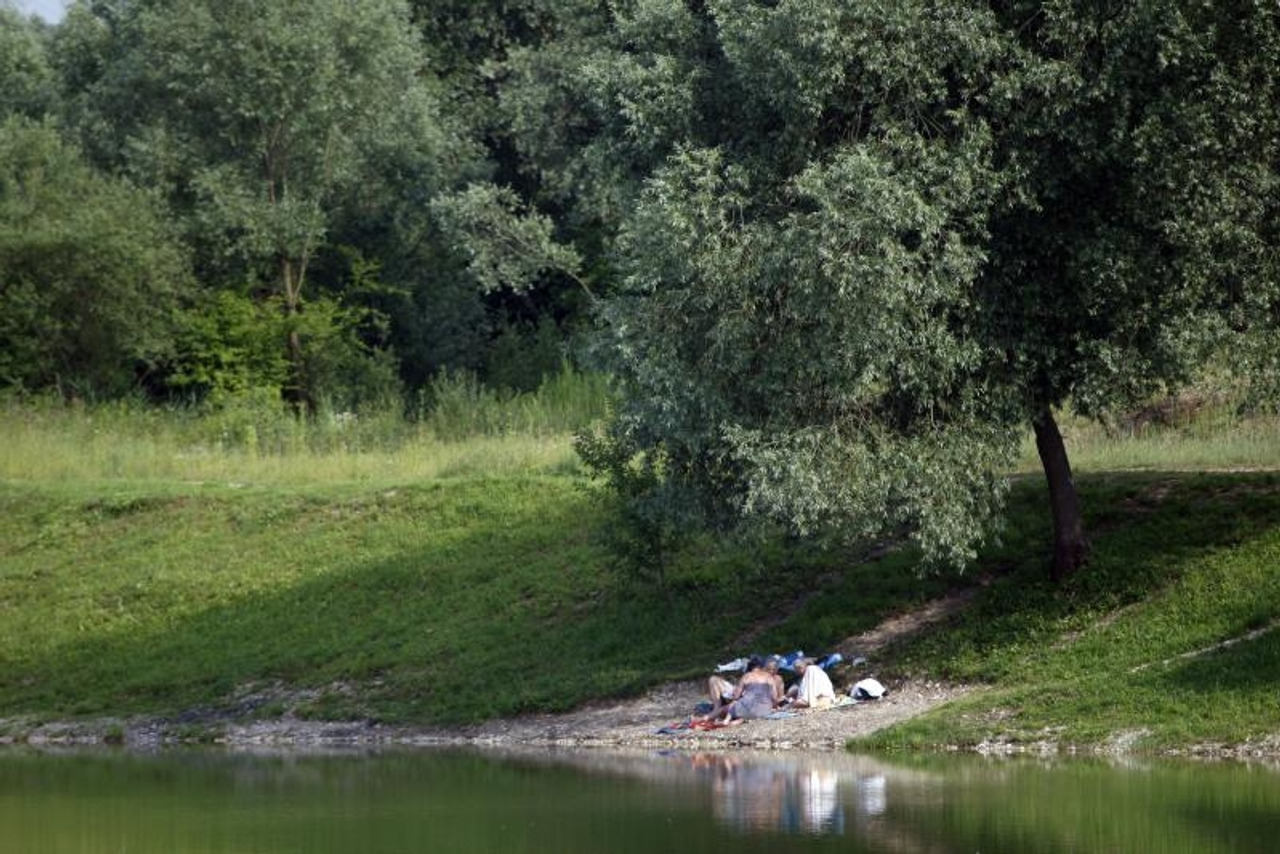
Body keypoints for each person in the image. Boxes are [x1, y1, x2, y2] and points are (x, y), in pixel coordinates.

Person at [706, 656, 783, 722]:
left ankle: (712, 715)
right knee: (713, 679)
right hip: (743, 698)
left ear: (777, 669)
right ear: (763, 668)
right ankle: (716, 708)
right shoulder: (755, 676)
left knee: (726, 709)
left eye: (773, 669)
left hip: (750, 703)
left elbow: (778, 698)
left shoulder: (776, 679)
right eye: (768, 669)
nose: (771, 671)